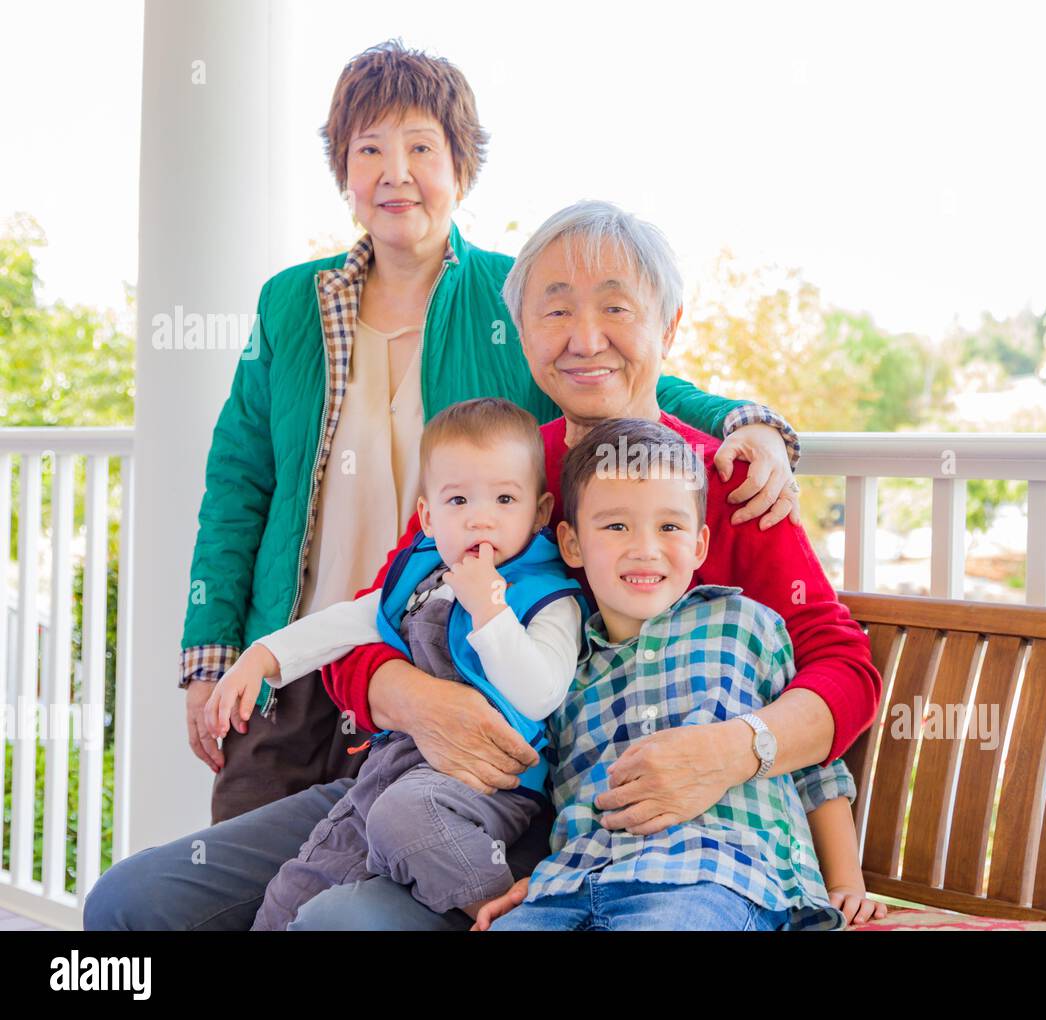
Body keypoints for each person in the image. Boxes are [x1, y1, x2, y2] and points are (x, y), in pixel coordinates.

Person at [83, 201, 872, 932]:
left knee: (336, 923)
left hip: (555, 822)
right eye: (555, 309)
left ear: (669, 324)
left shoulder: (723, 483)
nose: (585, 336)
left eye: (616, 307)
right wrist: (416, 698)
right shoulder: (499, 466)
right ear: (522, 333)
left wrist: (734, 750)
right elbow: (372, 620)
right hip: (403, 777)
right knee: (131, 902)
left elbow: (843, 667)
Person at [180, 39, 804, 825]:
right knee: (243, 868)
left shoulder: (509, 300)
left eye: (420, 148)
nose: (394, 173)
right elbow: (237, 483)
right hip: (298, 647)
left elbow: (617, 379)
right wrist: (209, 658)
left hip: (437, 649)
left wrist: (746, 423)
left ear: (461, 169)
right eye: (368, 149)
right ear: (344, 170)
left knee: (368, 859)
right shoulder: (290, 304)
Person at [471, 418, 887, 930]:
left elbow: (814, 767)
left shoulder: (745, 625)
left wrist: (845, 883)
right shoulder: (563, 665)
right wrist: (536, 878)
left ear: (699, 544)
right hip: (572, 884)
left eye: (669, 527)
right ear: (572, 544)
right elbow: (563, 795)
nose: (645, 548)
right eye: (616, 526)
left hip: (711, 874)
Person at [204, 399, 586, 927]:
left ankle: (501, 910)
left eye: (504, 498)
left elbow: (540, 693)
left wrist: (490, 610)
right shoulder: (421, 579)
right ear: (428, 517)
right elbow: (346, 623)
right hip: (390, 771)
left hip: (487, 787)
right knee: (294, 890)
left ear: (540, 512)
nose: (481, 517)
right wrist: (262, 657)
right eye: (458, 500)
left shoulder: (549, 596)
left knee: (404, 816)